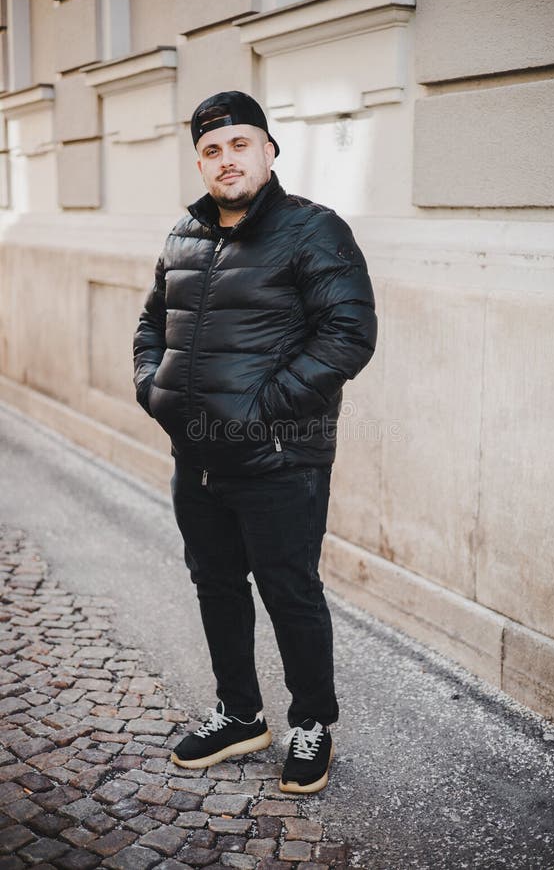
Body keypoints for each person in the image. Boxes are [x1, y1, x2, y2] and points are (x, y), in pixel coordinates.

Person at [133, 90, 377, 794]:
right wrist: (155, 389)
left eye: (239, 144)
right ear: (200, 162)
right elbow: (153, 323)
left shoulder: (313, 230)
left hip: (280, 459)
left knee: (290, 590)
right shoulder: (184, 233)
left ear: (268, 149)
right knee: (214, 583)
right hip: (198, 457)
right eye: (211, 150)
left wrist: (260, 414)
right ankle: (240, 714)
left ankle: (312, 724)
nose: (225, 159)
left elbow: (348, 336)